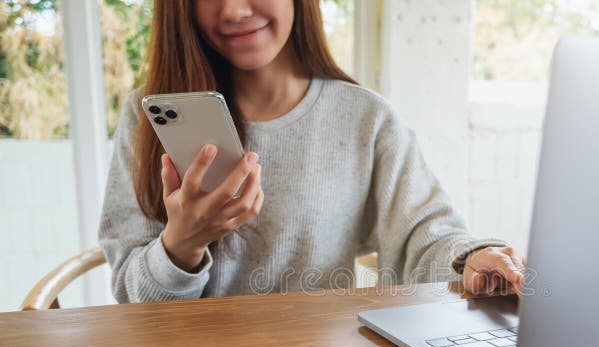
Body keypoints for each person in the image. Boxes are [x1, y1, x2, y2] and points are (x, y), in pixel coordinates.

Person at [99, 0, 525, 303]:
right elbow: (131, 297)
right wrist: (181, 246)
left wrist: (473, 258)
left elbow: (425, 238)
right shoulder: (151, 118)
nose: (232, 10)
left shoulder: (366, 119)